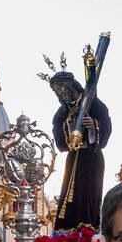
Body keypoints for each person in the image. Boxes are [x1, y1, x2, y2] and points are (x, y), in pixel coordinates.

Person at [48, 69, 112, 232]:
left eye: (61, 88)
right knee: (69, 196)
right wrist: (69, 121)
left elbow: (106, 125)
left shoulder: (93, 103)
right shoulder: (62, 112)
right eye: (57, 91)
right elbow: (60, 141)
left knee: (88, 195)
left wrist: (93, 125)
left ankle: (87, 230)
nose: (61, 93)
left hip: (91, 157)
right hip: (73, 156)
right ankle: (68, 232)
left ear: (70, 86)